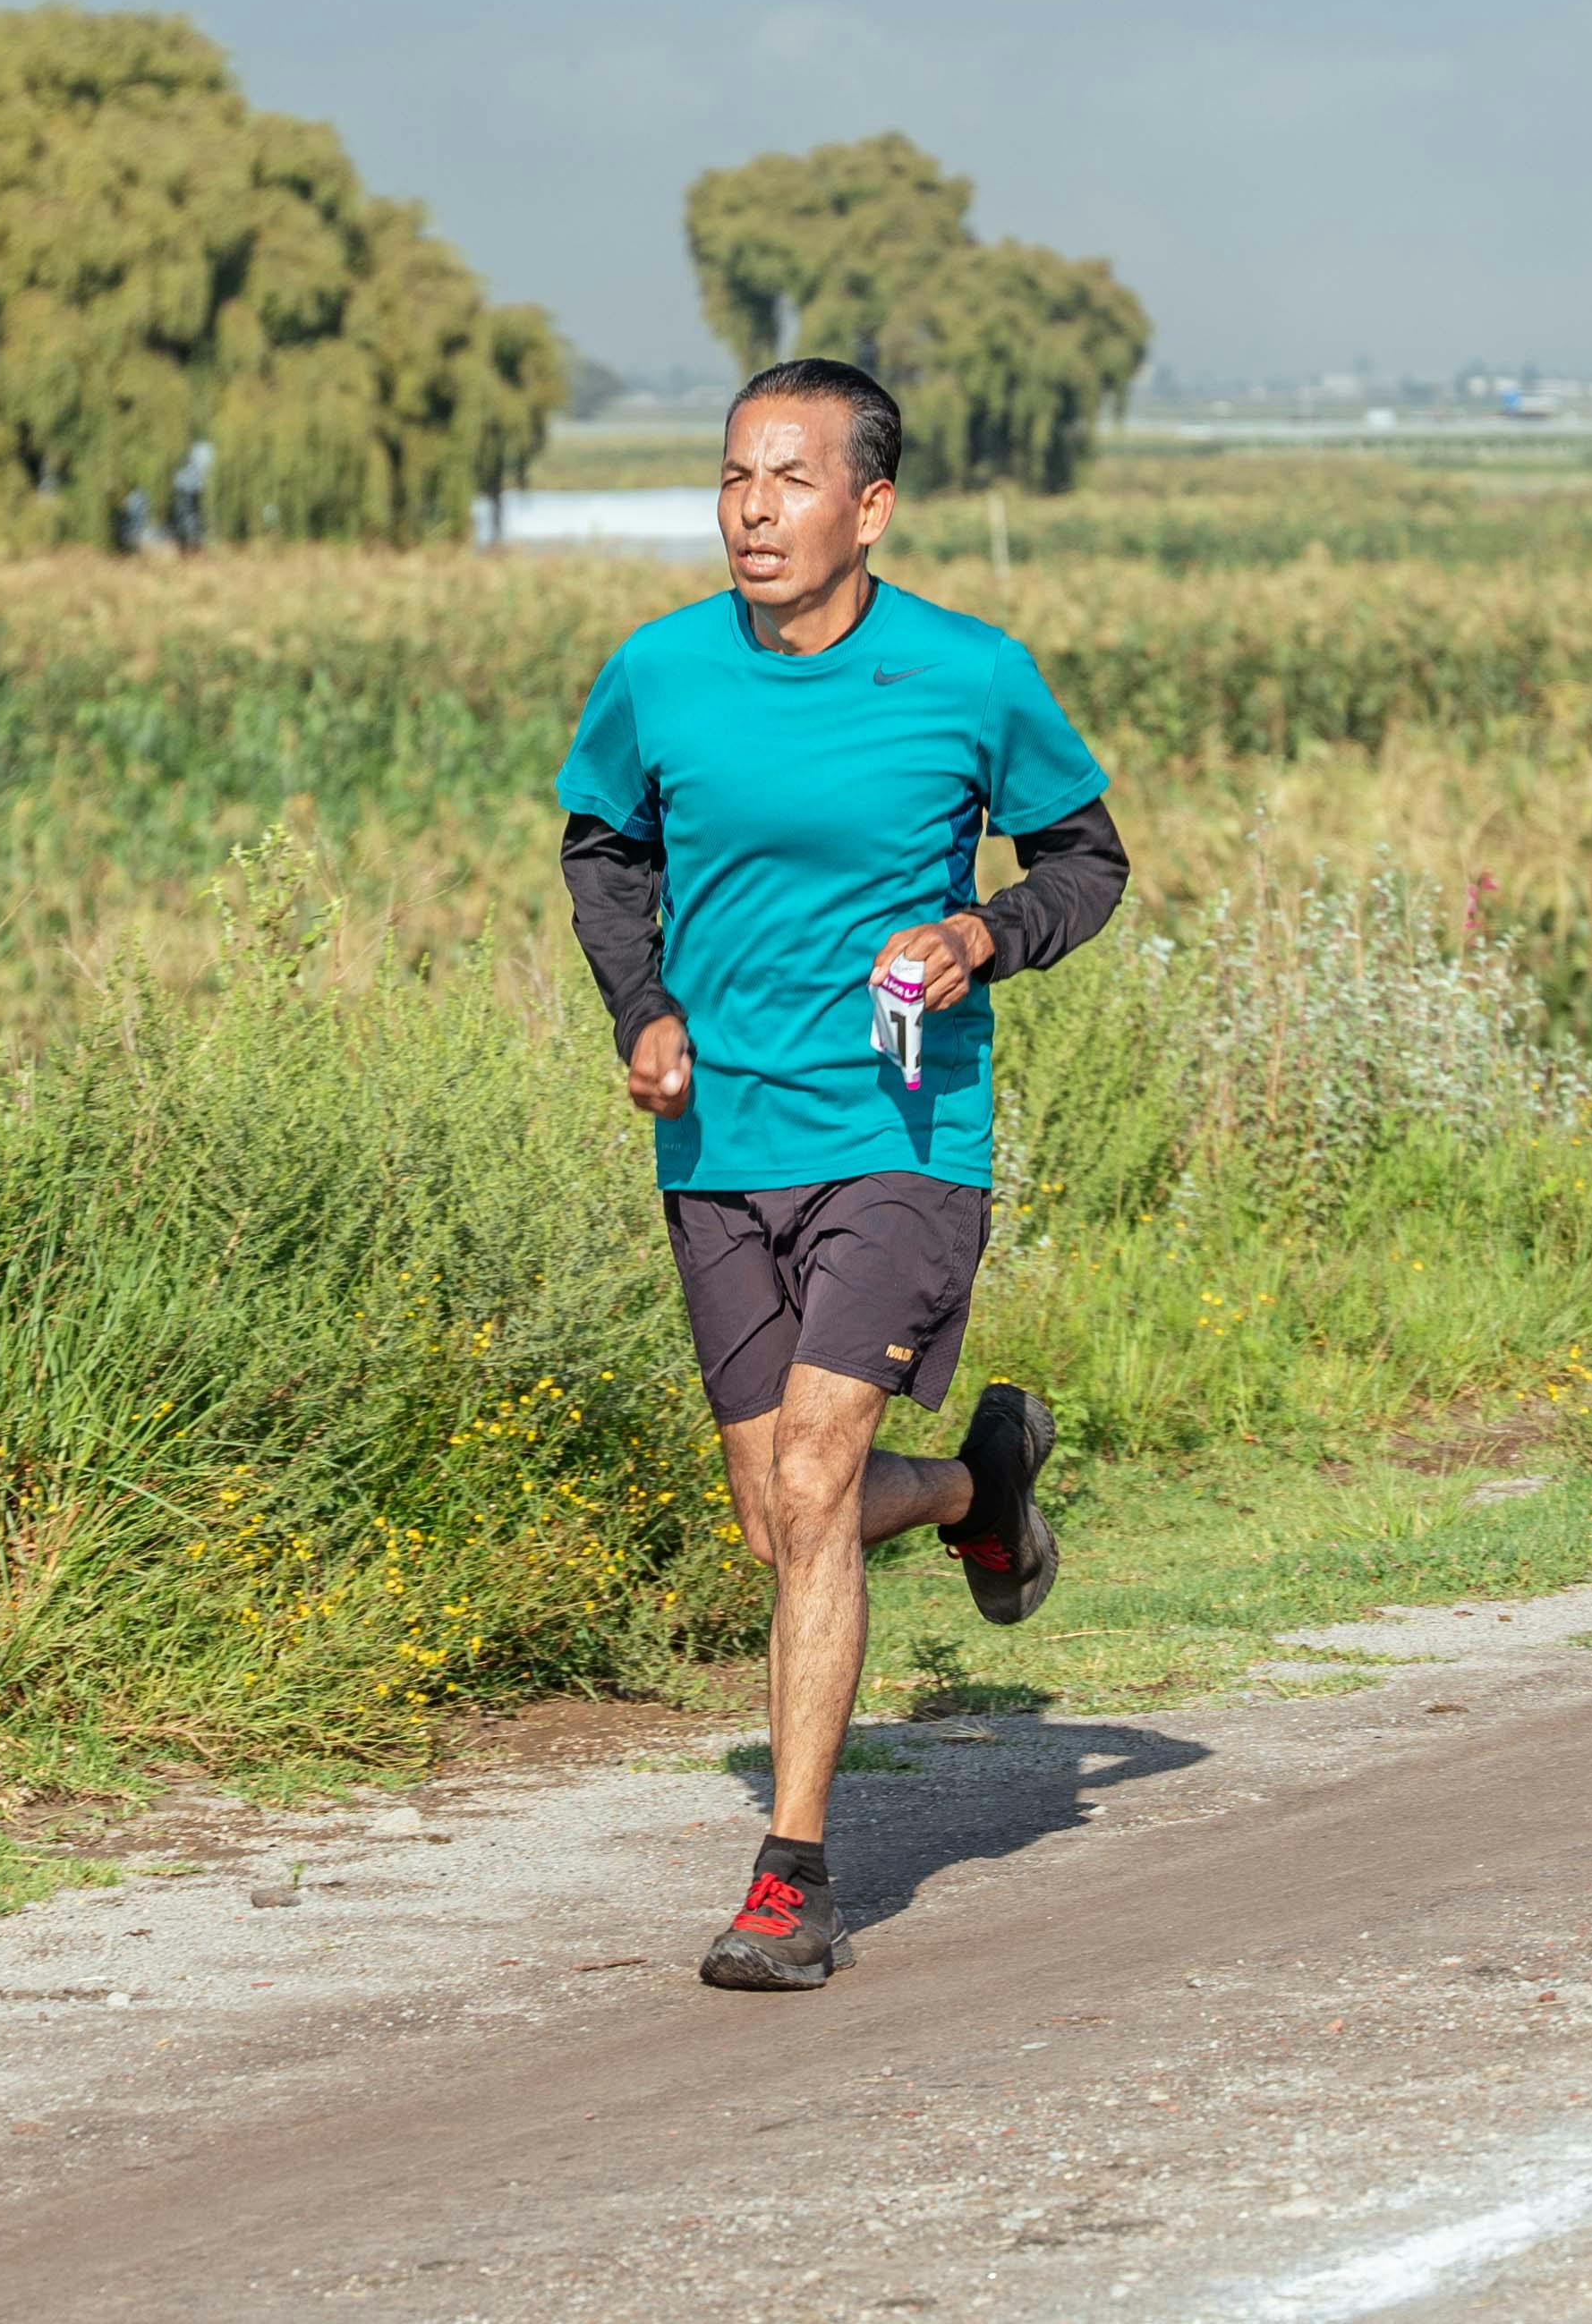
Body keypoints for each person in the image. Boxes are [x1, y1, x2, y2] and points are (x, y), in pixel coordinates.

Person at [558, 355, 1130, 1992]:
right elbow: (605, 851)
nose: (753, 507)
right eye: (736, 475)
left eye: (792, 478)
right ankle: (978, 1489)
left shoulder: (969, 675)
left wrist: (979, 931)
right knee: (777, 1519)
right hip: (717, 1145)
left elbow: (1087, 863)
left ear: (868, 506)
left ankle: (793, 1879)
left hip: (900, 1136)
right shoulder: (657, 675)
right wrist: (644, 1005)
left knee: (813, 1488)